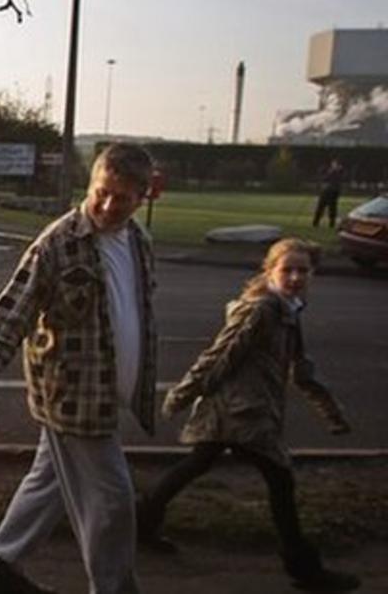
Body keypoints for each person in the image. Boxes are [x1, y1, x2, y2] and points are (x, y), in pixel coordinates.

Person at [0, 143, 158, 594]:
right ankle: (116, 587)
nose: (106, 205)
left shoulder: (140, 242)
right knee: (113, 502)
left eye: (121, 198)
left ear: (143, 195)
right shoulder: (58, 244)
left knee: (49, 480)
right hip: (73, 399)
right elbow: (11, 313)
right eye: (101, 191)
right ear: (92, 182)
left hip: (106, 397)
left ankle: (4, 566)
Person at [140, 238, 359, 592]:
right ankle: (304, 568)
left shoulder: (289, 309)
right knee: (280, 481)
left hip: (244, 409)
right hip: (243, 414)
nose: (295, 277)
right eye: (287, 269)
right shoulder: (261, 310)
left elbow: (301, 371)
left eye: (302, 270)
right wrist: (181, 395)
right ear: (269, 270)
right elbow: (220, 355)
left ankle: (141, 522)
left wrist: (331, 414)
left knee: (196, 464)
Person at [312, 159, 344, 228]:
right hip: (326, 192)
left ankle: (331, 224)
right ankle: (315, 223)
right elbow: (325, 178)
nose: (333, 165)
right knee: (320, 207)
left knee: (332, 209)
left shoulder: (339, 172)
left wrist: (333, 171)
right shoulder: (330, 171)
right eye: (333, 163)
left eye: (335, 164)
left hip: (333, 192)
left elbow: (336, 177)